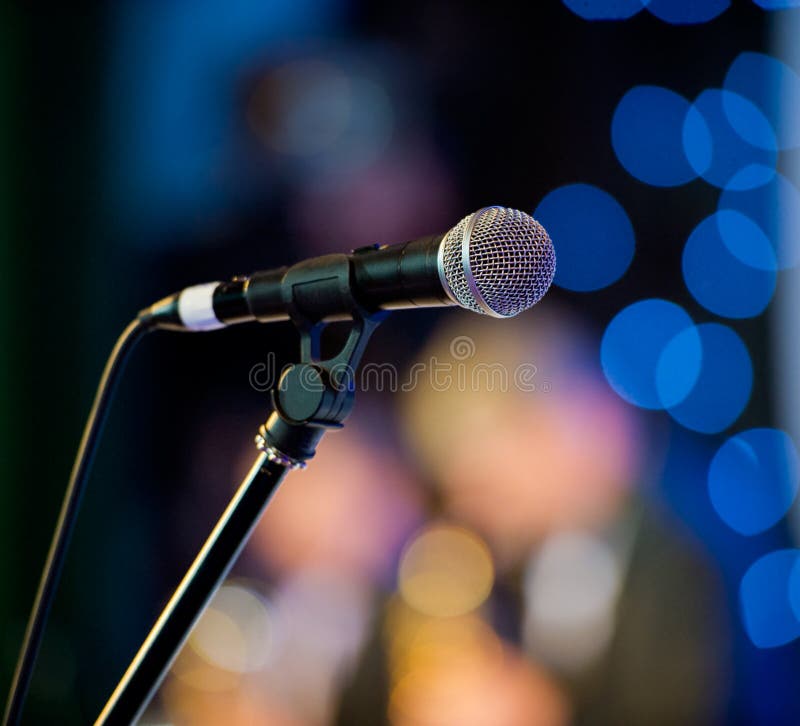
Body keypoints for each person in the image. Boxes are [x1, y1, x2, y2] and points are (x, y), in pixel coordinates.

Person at [335, 303, 731, 726]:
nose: (467, 510)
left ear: (550, 431)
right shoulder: (490, 570)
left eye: (482, 484)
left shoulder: (690, 559)